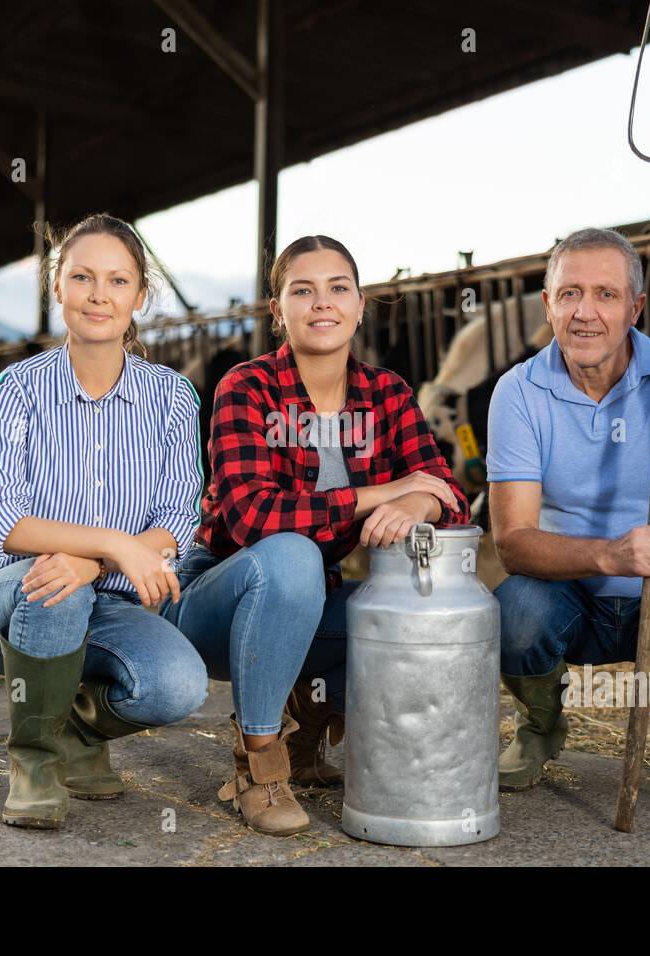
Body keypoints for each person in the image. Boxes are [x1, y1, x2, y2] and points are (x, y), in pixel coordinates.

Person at [161, 235, 471, 836]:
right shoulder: (245, 388)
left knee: (409, 612)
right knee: (294, 553)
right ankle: (259, 765)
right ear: (278, 310)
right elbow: (253, 518)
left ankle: (306, 734)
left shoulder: (388, 396)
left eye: (338, 289)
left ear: (360, 305)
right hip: (213, 603)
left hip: (305, 605)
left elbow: (451, 496)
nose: (321, 303)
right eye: (302, 290)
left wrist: (419, 495)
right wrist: (384, 493)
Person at [0, 212, 207, 829]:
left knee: (178, 686)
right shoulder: (16, 389)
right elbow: (0, 518)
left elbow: (180, 514)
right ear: (56, 287)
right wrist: (113, 546)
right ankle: (34, 762)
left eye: (118, 281)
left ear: (140, 297)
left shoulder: (172, 397)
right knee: (55, 578)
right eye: (82, 276)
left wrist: (94, 562)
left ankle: (77, 727)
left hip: (102, 602)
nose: (99, 294)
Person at [487, 227, 650, 806]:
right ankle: (540, 726)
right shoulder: (519, 392)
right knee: (513, 616)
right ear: (547, 304)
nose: (585, 313)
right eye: (569, 294)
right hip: (571, 590)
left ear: (637, 307)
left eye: (606, 295)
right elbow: (512, 540)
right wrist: (610, 554)